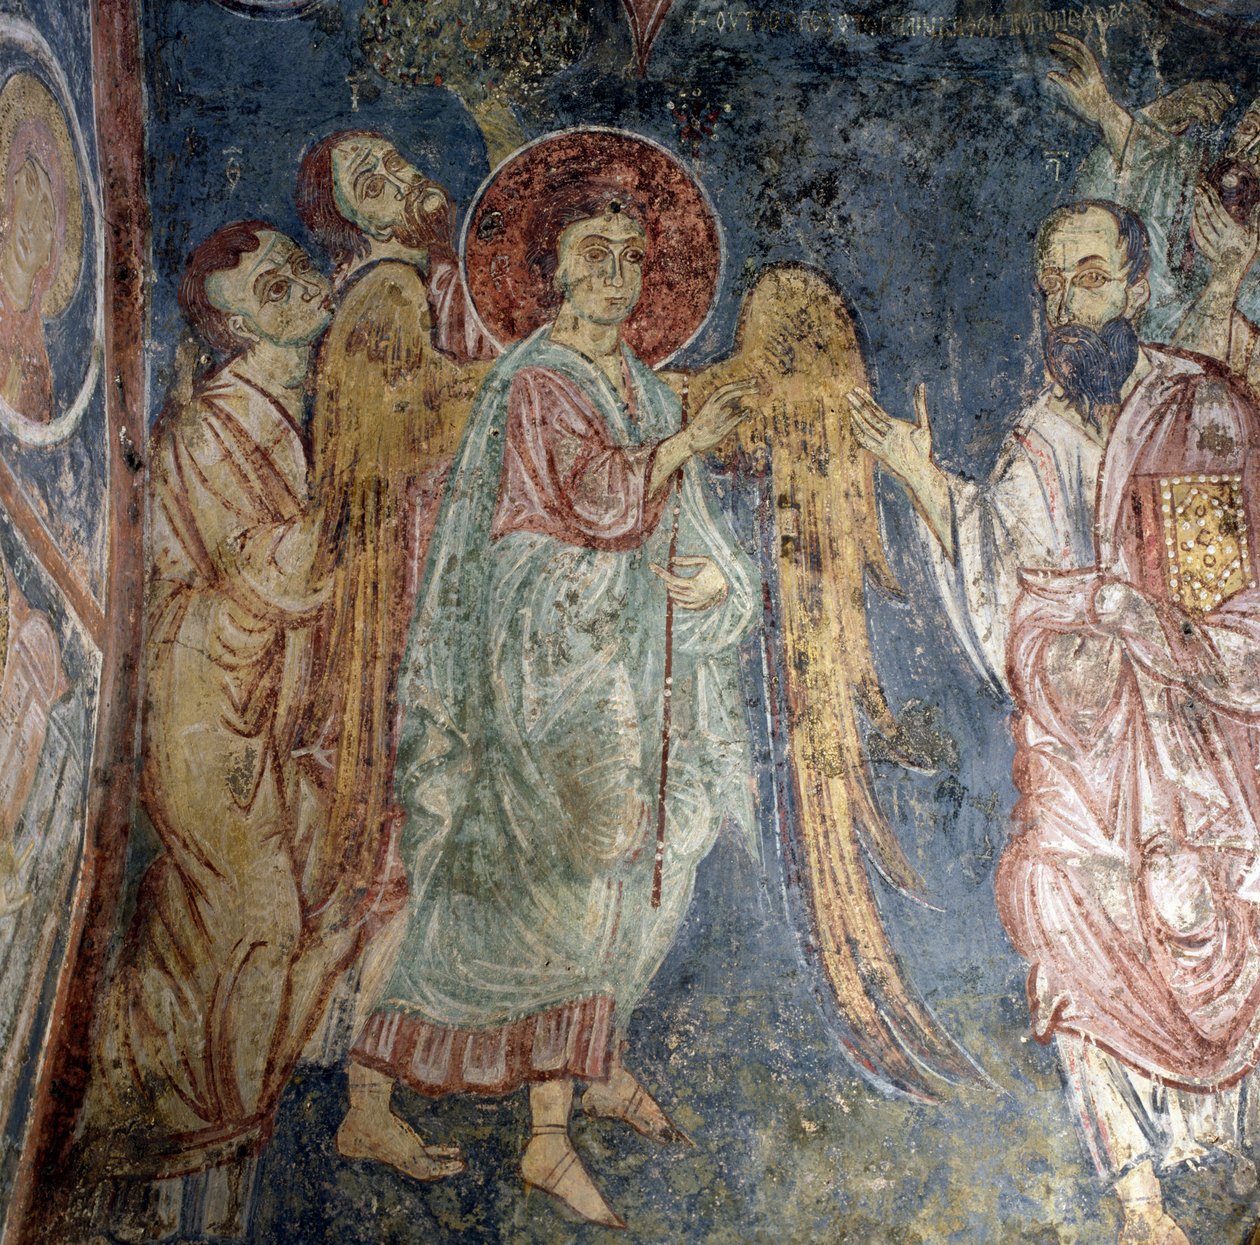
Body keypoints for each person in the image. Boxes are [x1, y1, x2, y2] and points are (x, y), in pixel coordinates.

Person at [339, 164, 759, 1227]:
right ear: (552, 269)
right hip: (546, 667)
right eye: (593, 258)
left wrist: (718, 583)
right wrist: (680, 453)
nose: (615, 278)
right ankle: (545, 1137)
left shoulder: (649, 389)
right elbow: (586, 509)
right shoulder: (536, 381)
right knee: (561, 887)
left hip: (628, 667)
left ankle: (592, 1059)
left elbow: (679, 527)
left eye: (632, 260)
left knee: (637, 870)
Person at [850, 200, 1260, 1245]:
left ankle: (1229, 1144)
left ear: (1134, 290)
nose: (1066, 308)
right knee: (1065, 912)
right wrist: (924, 482)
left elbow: (1222, 604)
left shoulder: (1196, 414)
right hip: (1078, 734)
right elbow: (1008, 572)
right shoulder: (1039, 434)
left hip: (1185, 738)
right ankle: (1133, 1193)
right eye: (1052, 286)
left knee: (1211, 915)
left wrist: (1129, 615)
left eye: (1087, 280)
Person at [78, 222, 360, 1239]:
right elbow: (267, 575)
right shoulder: (211, 429)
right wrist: (350, 504)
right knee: (244, 921)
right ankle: (148, 1151)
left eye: (298, 269)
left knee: (305, 920)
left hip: (277, 709)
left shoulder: (305, 410)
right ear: (234, 325)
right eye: (272, 286)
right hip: (209, 710)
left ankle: (219, 1165)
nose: (301, 288)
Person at [290, 130, 493, 1098]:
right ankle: (369, 1064)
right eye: (371, 181)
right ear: (350, 220)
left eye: (398, 162)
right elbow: (405, 426)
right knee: (410, 805)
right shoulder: (384, 291)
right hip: (405, 566)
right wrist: (512, 379)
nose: (403, 179)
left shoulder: (428, 281)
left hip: (433, 551)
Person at [1052, 33, 1260, 342]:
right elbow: (1149, 169)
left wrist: (1229, 270)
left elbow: (1198, 367)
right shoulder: (1194, 185)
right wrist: (1119, 112)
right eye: (1250, 127)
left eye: (1257, 152)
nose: (1246, 152)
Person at [0, 72, 83, 423]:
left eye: (47, 217)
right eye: (29, 186)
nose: (31, 219)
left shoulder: (38, 366)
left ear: (53, 254)